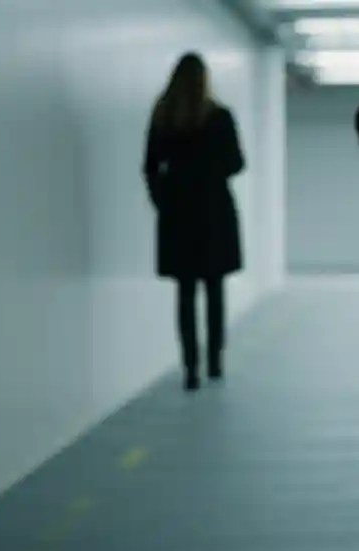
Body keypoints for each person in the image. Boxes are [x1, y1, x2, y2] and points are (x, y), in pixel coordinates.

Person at [144, 52, 245, 391]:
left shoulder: (164, 117)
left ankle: (191, 368)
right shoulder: (219, 116)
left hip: (178, 215)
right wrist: (210, 174)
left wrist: (164, 200)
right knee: (214, 290)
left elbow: (150, 167)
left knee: (185, 294)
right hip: (213, 211)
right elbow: (237, 163)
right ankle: (215, 361)